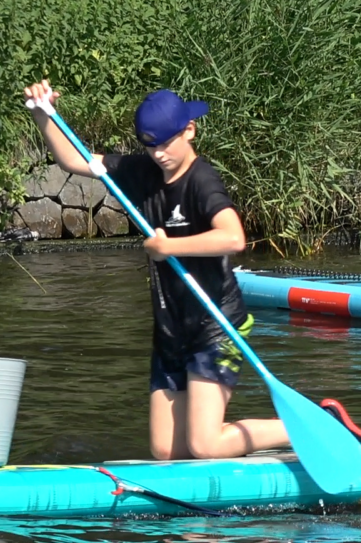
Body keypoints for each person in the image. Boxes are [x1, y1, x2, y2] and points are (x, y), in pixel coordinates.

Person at [22, 80, 292, 460]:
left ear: (189, 131)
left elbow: (233, 238)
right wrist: (42, 114)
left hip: (216, 326)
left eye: (166, 143)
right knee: (166, 452)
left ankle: (309, 426)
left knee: (204, 446)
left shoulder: (202, 180)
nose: (159, 154)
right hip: (170, 329)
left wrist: (169, 247)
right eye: (150, 145)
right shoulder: (142, 171)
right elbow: (73, 159)